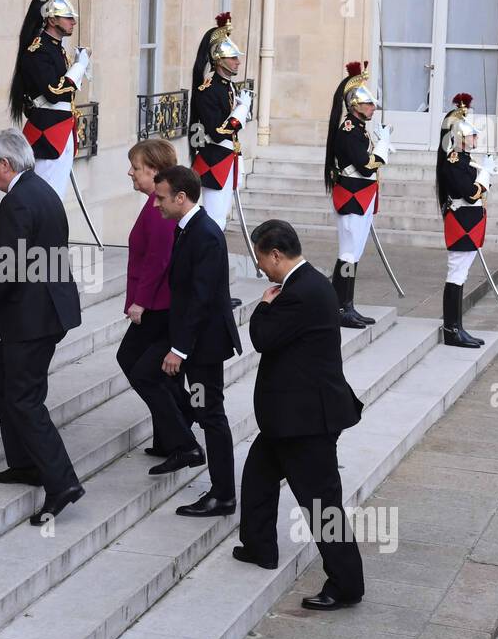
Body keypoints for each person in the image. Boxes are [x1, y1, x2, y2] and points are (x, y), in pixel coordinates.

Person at [235, 219, 365, 610]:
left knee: (322, 504)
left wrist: (263, 305)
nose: (261, 269)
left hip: (306, 422)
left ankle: (346, 584)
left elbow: (262, 338)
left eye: (261, 260)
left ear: (276, 254)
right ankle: (259, 546)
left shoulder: (298, 293)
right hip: (290, 417)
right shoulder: (311, 283)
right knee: (258, 476)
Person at [0, 129, 84, 526]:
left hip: (32, 316)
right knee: (3, 380)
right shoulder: (40, 190)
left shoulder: (19, 201)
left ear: (6, 164)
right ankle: (25, 464)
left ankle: (61, 482)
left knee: (25, 399)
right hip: (44, 311)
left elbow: (8, 266)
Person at [133, 165, 240, 518]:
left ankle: (223, 494)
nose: (156, 205)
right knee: (146, 371)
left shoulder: (204, 233)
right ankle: (183, 441)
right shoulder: (188, 227)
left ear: (181, 197)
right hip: (189, 336)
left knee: (213, 416)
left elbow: (201, 297)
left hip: (203, 343)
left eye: (161, 198)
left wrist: (179, 349)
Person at [116, 139, 198, 460]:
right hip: (156, 304)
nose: (131, 173)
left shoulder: (158, 207)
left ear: (155, 171)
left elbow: (158, 259)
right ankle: (171, 434)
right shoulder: (154, 203)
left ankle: (180, 432)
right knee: (154, 371)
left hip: (158, 306)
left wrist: (141, 301)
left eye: (136, 168)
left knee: (137, 366)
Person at [7, 0, 90, 199]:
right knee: (46, 196)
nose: (73, 22)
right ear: (52, 19)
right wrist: (80, 66)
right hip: (48, 130)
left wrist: (78, 65)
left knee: (54, 195)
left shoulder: (54, 49)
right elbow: (54, 91)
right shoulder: (38, 50)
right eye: (67, 17)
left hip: (60, 128)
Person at [324, 60, 393, 329]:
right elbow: (365, 167)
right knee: (348, 255)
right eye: (369, 104)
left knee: (354, 254)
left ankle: (347, 304)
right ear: (355, 105)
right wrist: (384, 147)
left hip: (361, 197)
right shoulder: (349, 130)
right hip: (352, 197)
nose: (373, 108)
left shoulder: (359, 129)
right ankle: (340, 306)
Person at [436, 92, 497, 349]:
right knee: (457, 274)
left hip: (469, 222)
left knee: (461, 274)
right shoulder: (454, 162)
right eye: (472, 135)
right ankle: (451, 328)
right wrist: (484, 176)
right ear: (459, 138)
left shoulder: (465, 160)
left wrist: (483, 172)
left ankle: (457, 326)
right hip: (461, 221)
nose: (476, 138)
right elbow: (469, 193)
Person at [188, 12, 252, 231]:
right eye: (233, 58)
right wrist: (241, 112)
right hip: (214, 160)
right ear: (219, 59)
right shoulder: (208, 89)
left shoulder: (227, 85)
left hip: (228, 157)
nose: (238, 62)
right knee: (215, 220)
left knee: (221, 219)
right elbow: (217, 132)